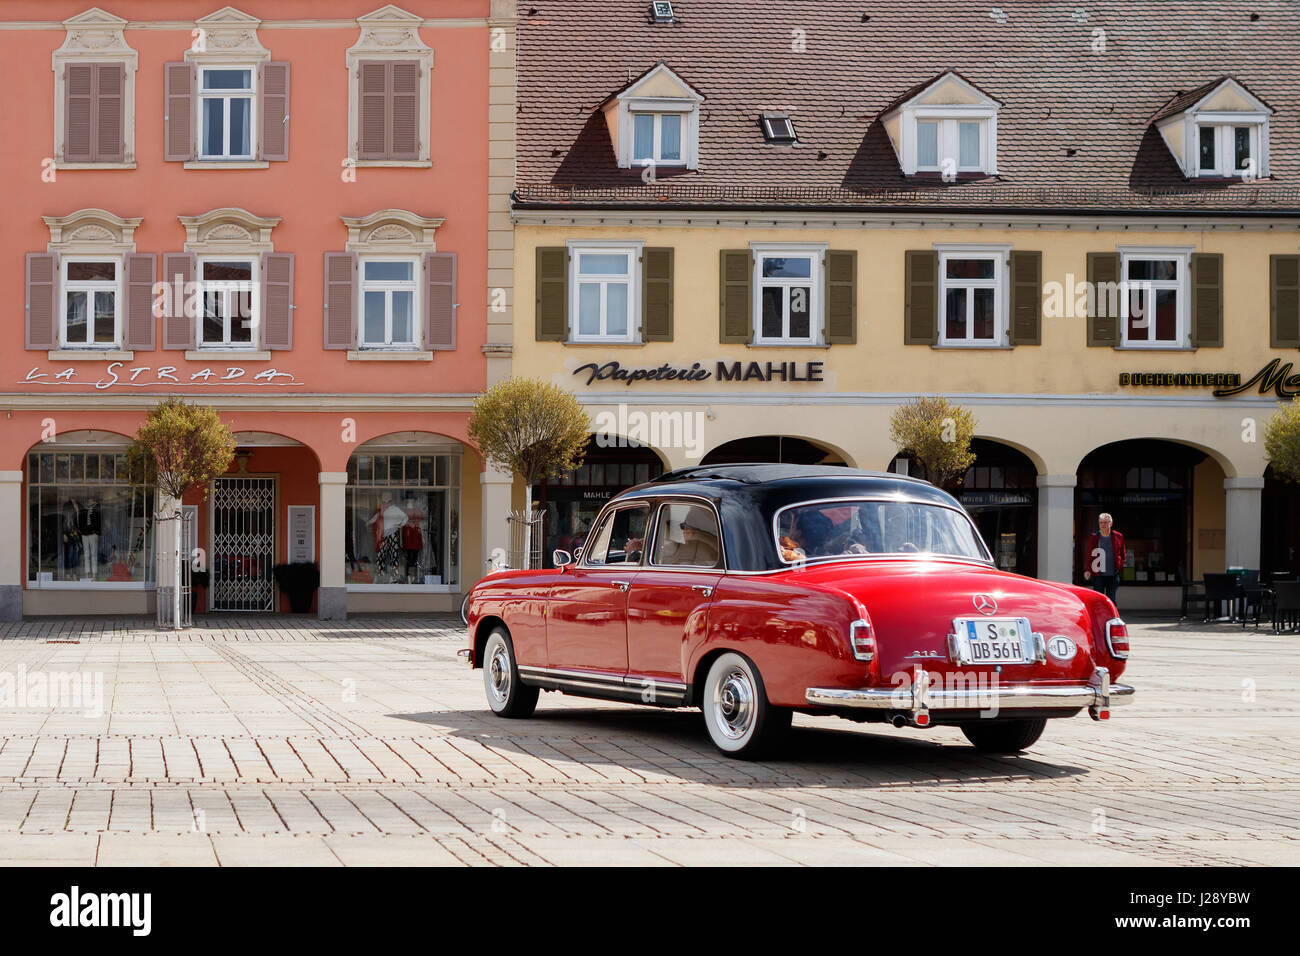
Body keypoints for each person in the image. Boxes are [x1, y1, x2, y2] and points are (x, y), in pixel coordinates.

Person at [1083, 513, 1125, 605]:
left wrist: (1119, 566)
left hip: (1113, 575)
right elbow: (1089, 554)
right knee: (1098, 600)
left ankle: (1111, 618)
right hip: (1098, 575)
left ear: (1111, 523)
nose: (1103, 525)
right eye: (1101, 523)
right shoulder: (1094, 537)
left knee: (1112, 600)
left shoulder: (1118, 536)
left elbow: (1122, 554)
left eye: (1105, 522)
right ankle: (1099, 618)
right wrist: (1088, 570)